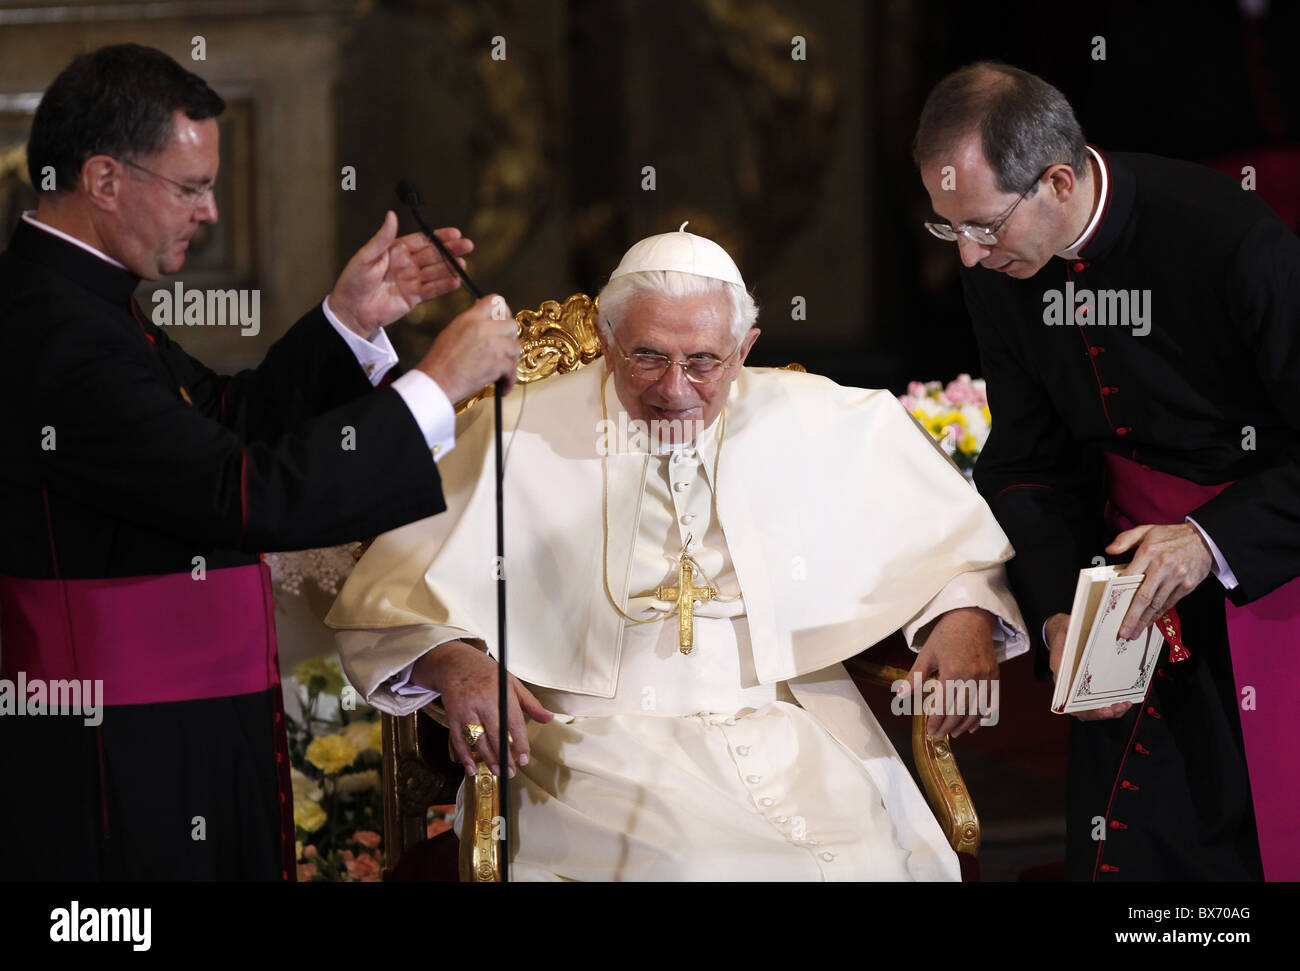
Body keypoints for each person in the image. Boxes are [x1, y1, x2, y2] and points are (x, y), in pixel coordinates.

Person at [328, 227, 1028, 881]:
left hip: (790, 726)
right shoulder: (514, 433)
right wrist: (455, 658)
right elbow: (388, 597)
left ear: (745, 347)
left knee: (867, 863)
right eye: (647, 356)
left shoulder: (814, 417)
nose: (674, 389)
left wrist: (964, 614)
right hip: (589, 746)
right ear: (606, 339)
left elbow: (949, 540)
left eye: (703, 362)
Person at [0, 43, 520, 881]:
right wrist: (434, 383)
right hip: (121, 755)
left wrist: (347, 326)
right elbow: (239, 493)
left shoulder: (79, 301)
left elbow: (222, 424)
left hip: (171, 726)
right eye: (192, 186)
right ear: (102, 180)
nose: (209, 211)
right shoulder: (59, 330)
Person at [914, 61, 1300, 881]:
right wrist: (1057, 611)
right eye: (949, 230)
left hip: (1264, 581)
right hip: (1115, 595)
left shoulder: (1228, 237)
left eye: (983, 225)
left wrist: (1207, 541)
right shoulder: (1003, 267)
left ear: (1057, 180)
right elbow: (1025, 458)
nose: (972, 258)